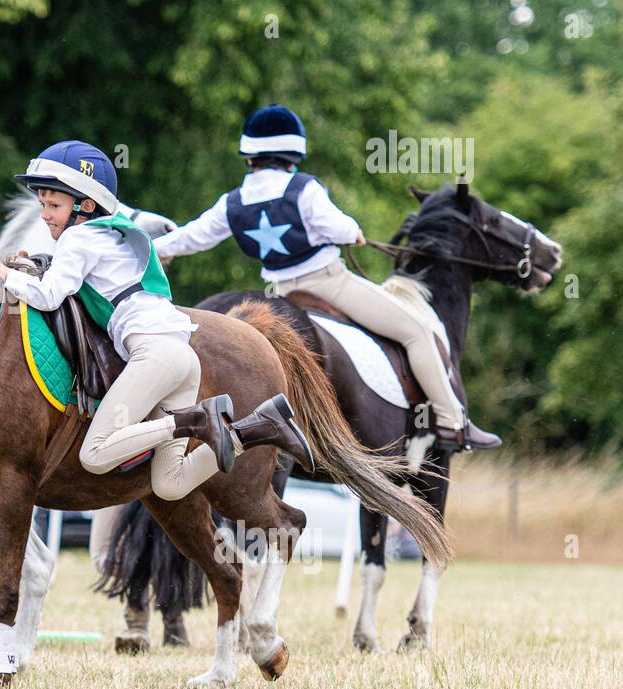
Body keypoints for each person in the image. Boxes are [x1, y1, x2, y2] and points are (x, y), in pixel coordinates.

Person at [153, 104, 498, 451]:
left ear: (249, 157)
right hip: (329, 284)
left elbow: (192, 237)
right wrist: (355, 233)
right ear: (292, 154)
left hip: (278, 292)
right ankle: (454, 423)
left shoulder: (231, 202)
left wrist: (154, 246)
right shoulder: (304, 188)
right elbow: (338, 226)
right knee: (416, 333)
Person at [0, 140, 314, 506]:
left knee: (95, 454)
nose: (45, 215)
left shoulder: (78, 238)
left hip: (155, 355)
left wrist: (1, 272)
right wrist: (25, 269)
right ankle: (258, 427)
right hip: (181, 357)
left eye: (53, 205)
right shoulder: (111, 232)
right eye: (42, 205)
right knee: (170, 483)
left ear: (84, 205)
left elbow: (50, 296)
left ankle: (196, 421)